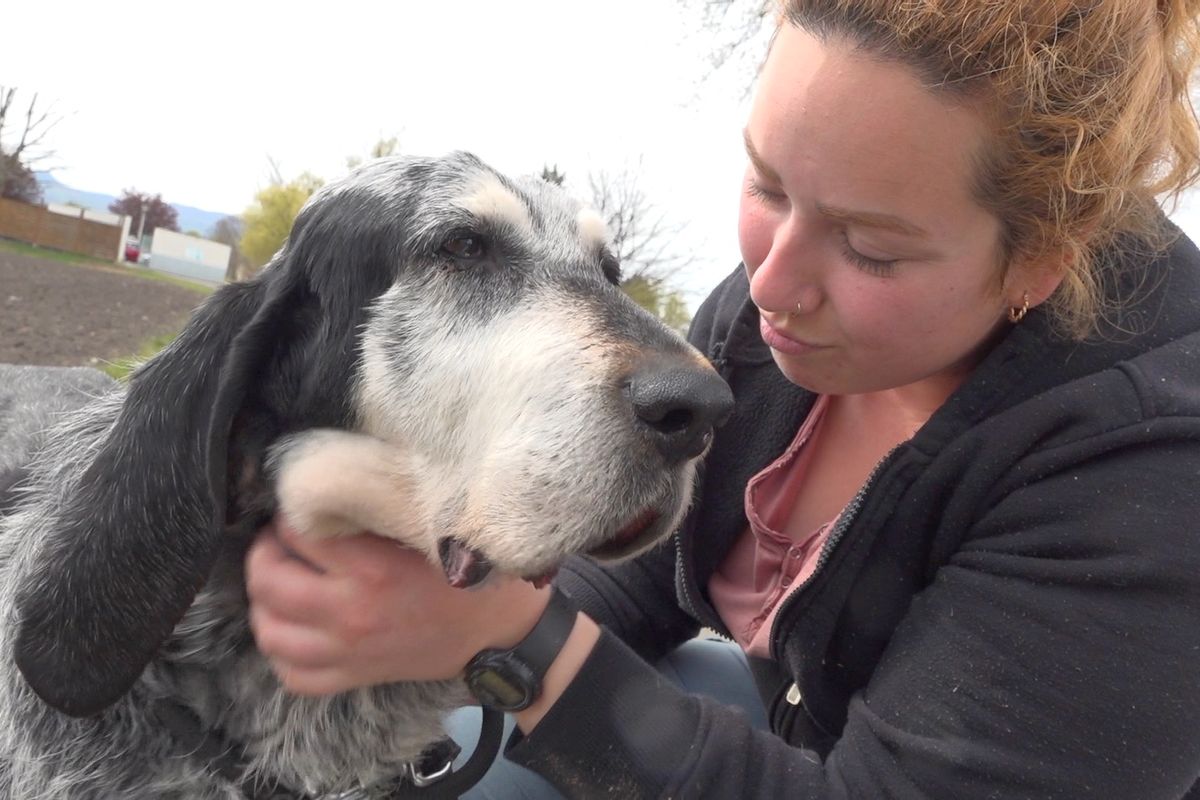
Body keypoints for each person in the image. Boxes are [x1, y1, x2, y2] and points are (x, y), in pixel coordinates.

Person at [244, 1, 1200, 796]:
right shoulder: (766, 325)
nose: (772, 286)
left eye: (871, 247)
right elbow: (634, 585)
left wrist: (511, 644)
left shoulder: (1150, 472)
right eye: (769, 186)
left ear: (1041, 259)